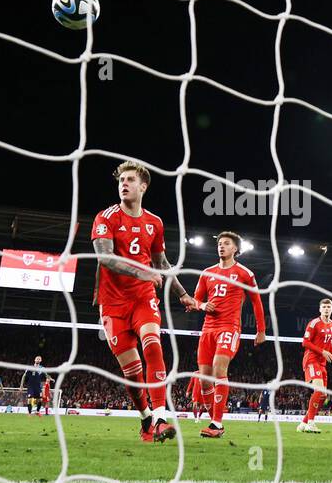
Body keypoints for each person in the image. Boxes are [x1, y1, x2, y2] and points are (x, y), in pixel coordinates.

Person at [92, 160, 199, 442]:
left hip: (142, 297)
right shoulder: (105, 218)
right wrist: (143, 270)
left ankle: (162, 417)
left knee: (152, 343)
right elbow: (105, 258)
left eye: (129, 179)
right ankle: (146, 420)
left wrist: (183, 294)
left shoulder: (155, 223)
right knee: (132, 373)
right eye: (120, 180)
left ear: (143, 186)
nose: (123, 184)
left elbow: (162, 263)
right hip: (112, 303)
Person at [191, 231, 267, 438]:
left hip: (229, 327)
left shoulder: (244, 273)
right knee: (205, 381)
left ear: (235, 249)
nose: (221, 246)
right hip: (207, 330)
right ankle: (214, 420)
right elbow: (195, 301)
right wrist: (202, 305)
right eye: (219, 243)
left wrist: (261, 330)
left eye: (226, 243)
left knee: (218, 369)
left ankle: (216, 423)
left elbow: (256, 301)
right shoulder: (207, 273)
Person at [298, 298, 332, 434]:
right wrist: (322, 351)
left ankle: (303, 423)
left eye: (328, 307)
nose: (326, 309)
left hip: (322, 363)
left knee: (322, 396)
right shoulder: (314, 323)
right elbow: (305, 342)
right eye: (324, 307)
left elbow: (329, 343)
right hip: (311, 359)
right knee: (319, 390)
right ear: (320, 309)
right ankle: (311, 423)